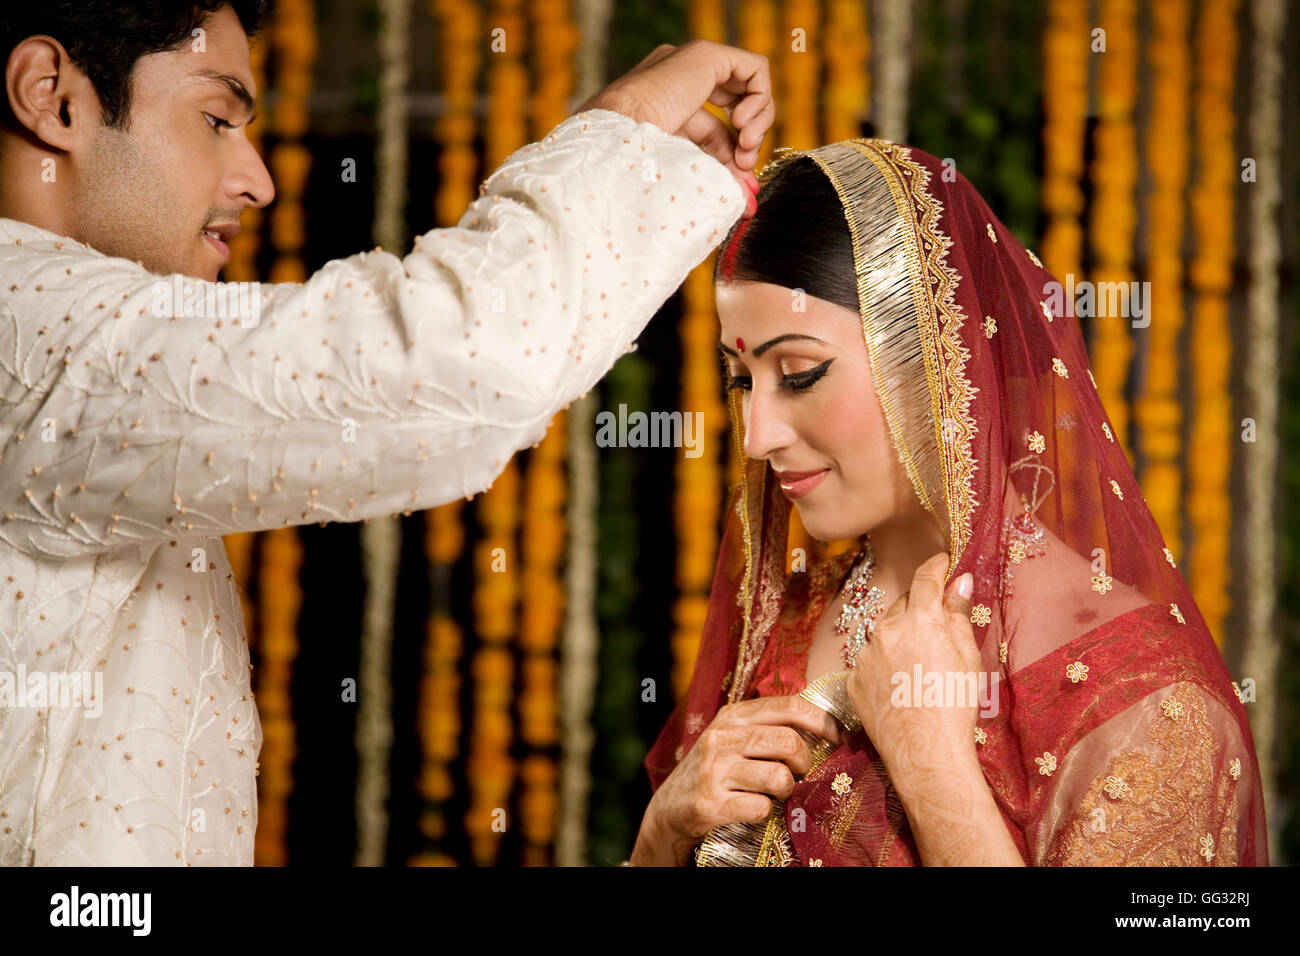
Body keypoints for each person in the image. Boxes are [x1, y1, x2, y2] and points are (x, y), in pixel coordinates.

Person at [0, 0, 774, 865]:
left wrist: (636, 164)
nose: (258, 180)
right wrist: (622, 133)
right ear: (53, 98)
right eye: (216, 119)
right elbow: (458, 361)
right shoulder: (26, 330)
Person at [631, 139, 1268, 866]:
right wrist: (660, 835)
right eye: (743, 379)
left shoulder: (1147, 703)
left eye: (800, 372)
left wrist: (934, 771)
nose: (758, 437)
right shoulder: (783, 623)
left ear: (939, 355)